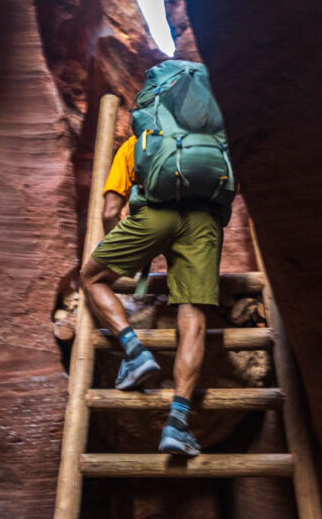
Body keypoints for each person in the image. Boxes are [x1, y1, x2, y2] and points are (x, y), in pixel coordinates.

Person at [80, 132, 228, 457]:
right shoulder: (211, 139)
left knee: (91, 279)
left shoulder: (139, 140)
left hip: (154, 216)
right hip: (204, 220)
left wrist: (125, 253)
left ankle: (134, 351)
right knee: (193, 315)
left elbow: (110, 210)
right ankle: (177, 424)